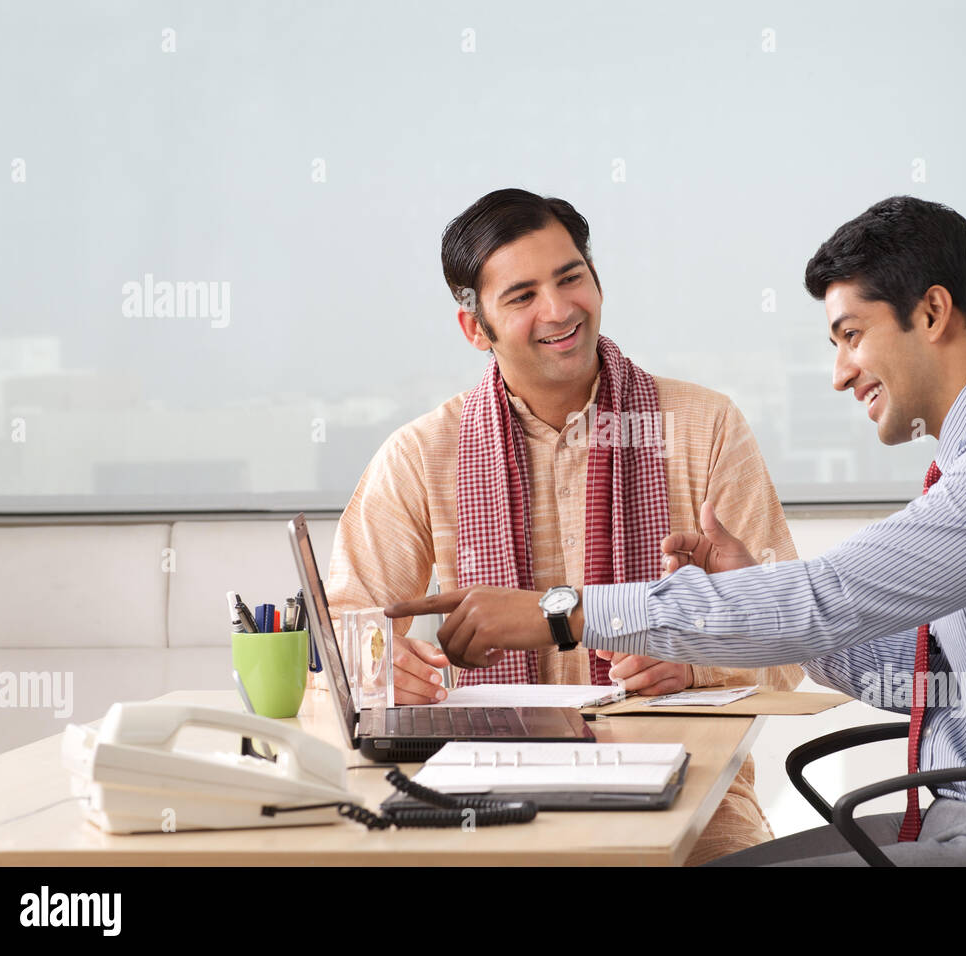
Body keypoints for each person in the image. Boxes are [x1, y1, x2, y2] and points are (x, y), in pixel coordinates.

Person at [388, 195, 966, 868]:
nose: (841, 370)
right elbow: (919, 684)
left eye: (851, 335)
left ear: (933, 312)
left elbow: (829, 596)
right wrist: (749, 587)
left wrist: (561, 612)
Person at [326, 187, 803, 866]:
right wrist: (379, 666)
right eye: (521, 296)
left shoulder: (705, 427)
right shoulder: (422, 452)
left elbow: (790, 638)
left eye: (571, 277)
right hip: (482, 801)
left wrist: (692, 660)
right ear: (475, 328)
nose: (558, 311)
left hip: (694, 803)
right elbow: (346, 629)